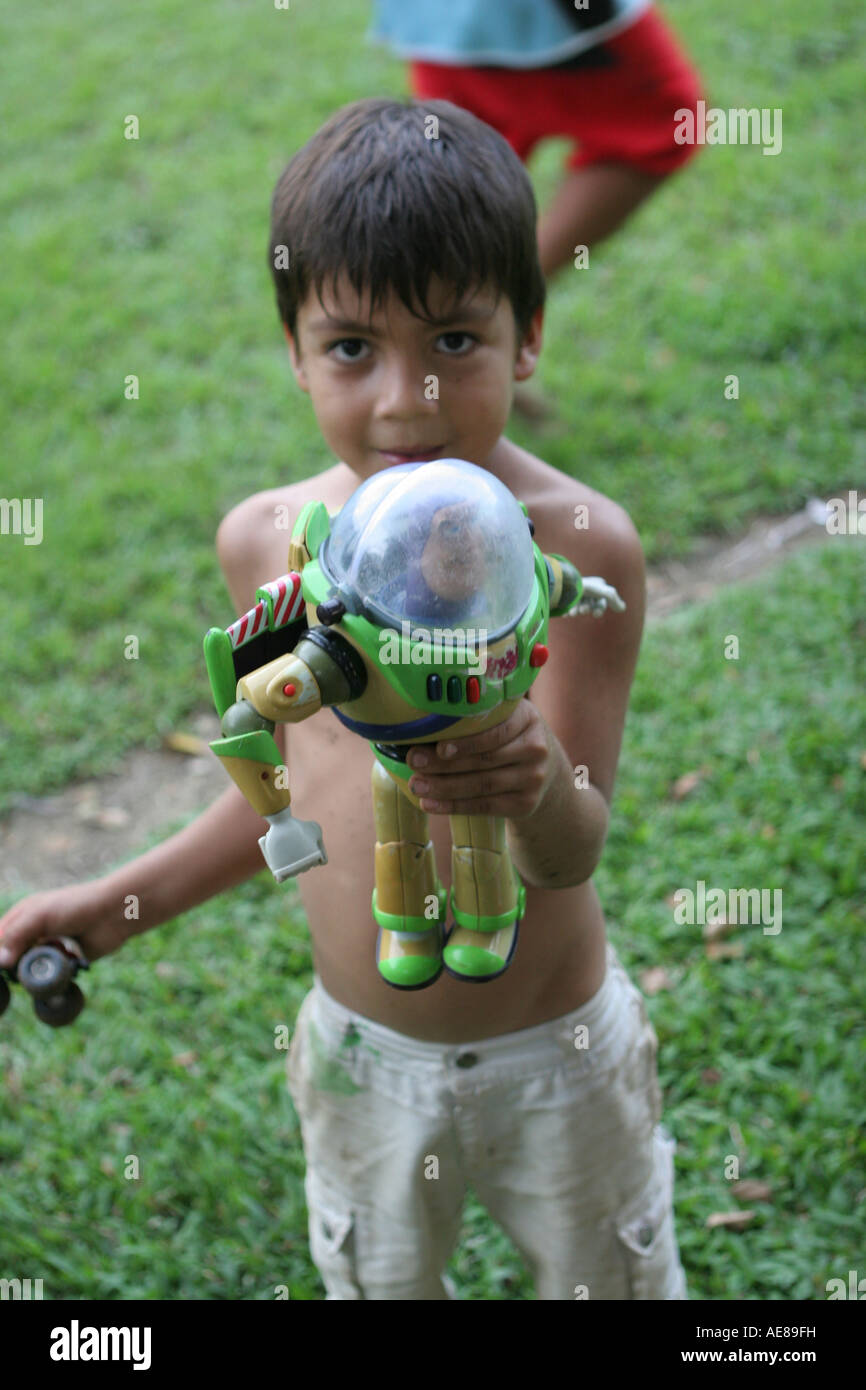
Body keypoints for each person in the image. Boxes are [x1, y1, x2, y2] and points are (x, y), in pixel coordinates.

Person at [0, 97, 687, 1301]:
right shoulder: (267, 545)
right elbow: (291, 808)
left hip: (558, 1055)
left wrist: (527, 781)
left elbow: (571, 851)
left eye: (453, 342)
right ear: (294, 352)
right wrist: (119, 902)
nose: (406, 404)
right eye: (353, 347)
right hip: (363, 1060)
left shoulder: (580, 546)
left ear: (527, 335)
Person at [369, 0, 704, 281]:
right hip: (537, 22)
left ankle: (480, 302)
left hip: (438, 24)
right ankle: (506, 293)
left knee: (454, 187)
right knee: (669, 122)